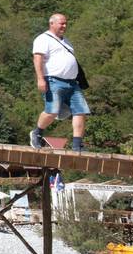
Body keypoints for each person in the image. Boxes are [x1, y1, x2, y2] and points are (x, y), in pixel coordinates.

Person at [30, 13, 90, 152]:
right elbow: (37, 58)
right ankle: (37, 133)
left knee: (81, 112)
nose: (64, 26)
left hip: (72, 83)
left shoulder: (66, 41)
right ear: (52, 23)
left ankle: (77, 145)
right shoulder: (43, 39)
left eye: (65, 23)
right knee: (52, 111)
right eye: (61, 23)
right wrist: (40, 79)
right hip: (53, 81)